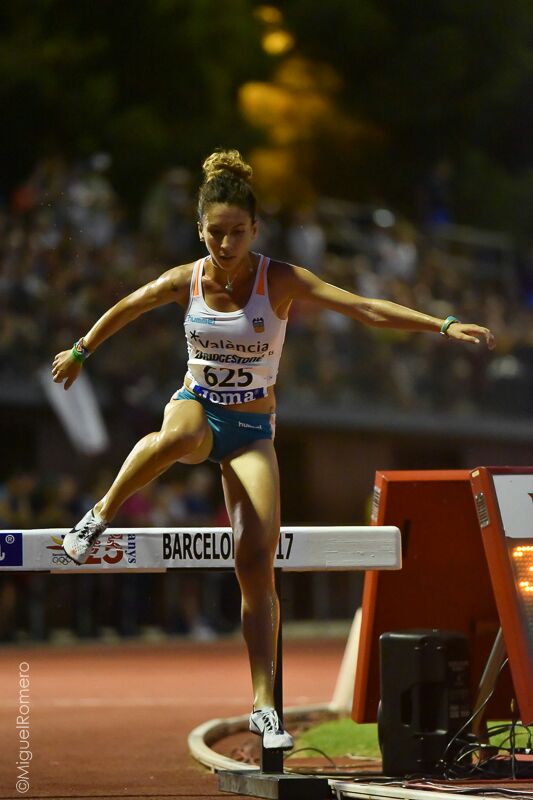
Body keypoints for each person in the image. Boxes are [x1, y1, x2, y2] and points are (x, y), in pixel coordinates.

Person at [52, 148, 495, 749]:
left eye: (237, 233)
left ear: (255, 229)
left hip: (252, 432)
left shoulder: (277, 279)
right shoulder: (189, 279)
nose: (226, 244)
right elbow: (129, 306)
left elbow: (362, 307)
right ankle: (99, 515)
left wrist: (440, 325)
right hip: (197, 407)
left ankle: (264, 704)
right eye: (215, 233)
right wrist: (81, 351)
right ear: (200, 229)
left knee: (257, 562)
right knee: (179, 434)